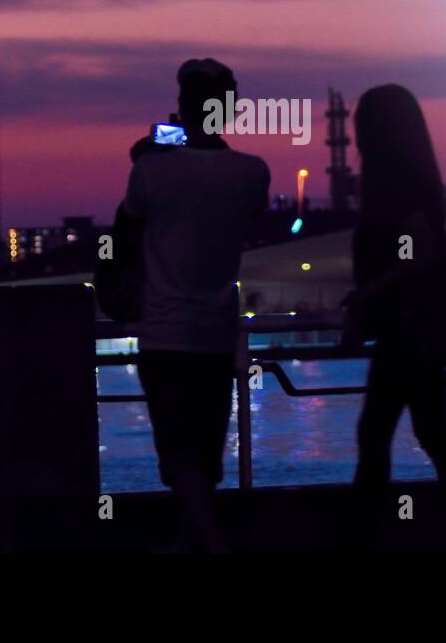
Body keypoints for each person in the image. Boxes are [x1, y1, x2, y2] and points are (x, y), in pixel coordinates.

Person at [120, 59, 269, 552]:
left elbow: (129, 226)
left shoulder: (150, 170)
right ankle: (192, 542)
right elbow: (252, 221)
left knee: (176, 453)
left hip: (163, 332)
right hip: (217, 331)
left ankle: (212, 543)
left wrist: (150, 155)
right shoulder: (252, 172)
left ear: (181, 109)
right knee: (206, 453)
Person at [341, 83, 446, 539]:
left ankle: (365, 532)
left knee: (378, 434)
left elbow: (414, 256)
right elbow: (425, 257)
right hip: (421, 328)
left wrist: (366, 295)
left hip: (406, 331)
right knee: (429, 433)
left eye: (361, 122)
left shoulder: (395, 187)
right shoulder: (415, 181)